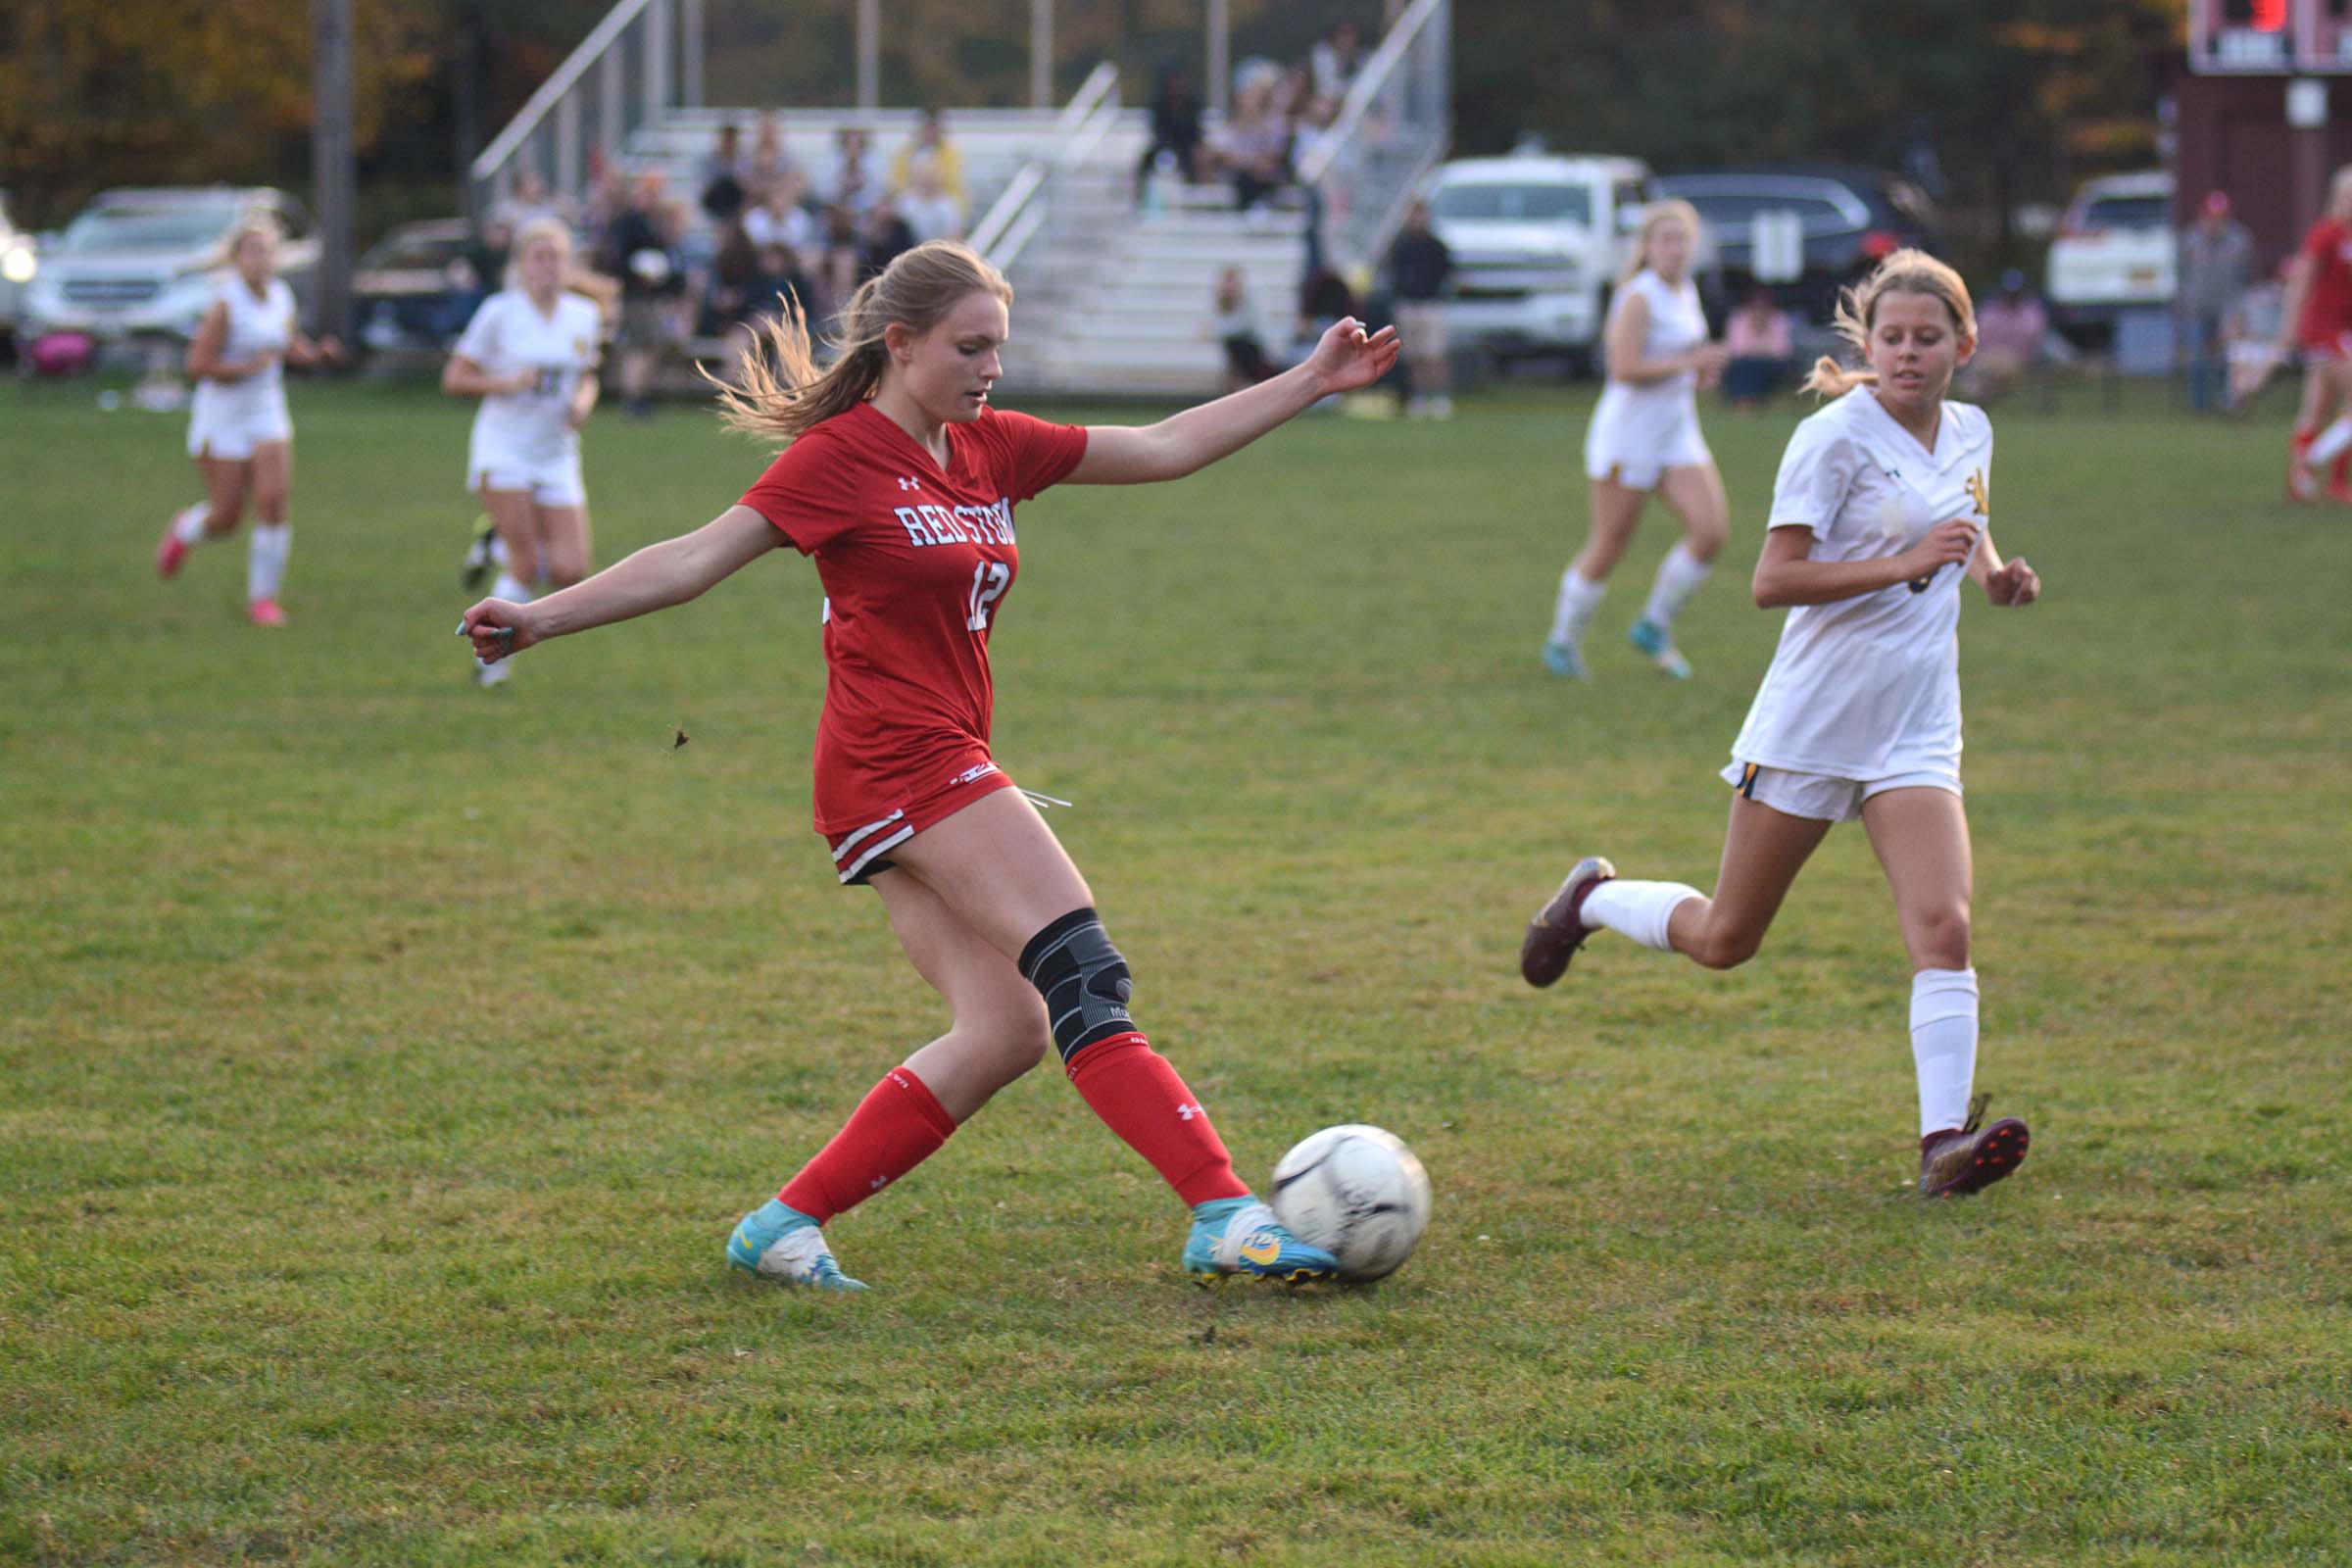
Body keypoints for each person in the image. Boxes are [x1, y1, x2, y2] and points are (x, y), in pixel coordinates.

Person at [457, 240, 1399, 1291]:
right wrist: (539, 617)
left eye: (1000, 345)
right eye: (970, 346)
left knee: (1005, 1030)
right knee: (1084, 969)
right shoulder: (839, 459)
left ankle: (784, 1225)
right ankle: (1222, 1209)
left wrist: (1312, 380)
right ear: (901, 344)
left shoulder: (989, 447)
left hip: (922, 767)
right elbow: (694, 556)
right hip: (900, 761)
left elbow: (1166, 444)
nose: (991, 367)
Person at [1519, 250, 2041, 1201]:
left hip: (1916, 725)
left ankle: (1941, 1145)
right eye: (1892, 339)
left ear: (1964, 344)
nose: (1909, 355)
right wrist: (1905, 563)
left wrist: (1992, 575)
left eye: (1929, 339)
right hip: (1814, 718)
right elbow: (1772, 582)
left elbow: (1960, 527)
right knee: (1727, 938)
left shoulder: (1971, 429)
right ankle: (1591, 899)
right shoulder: (1832, 439)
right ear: (1868, 343)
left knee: (1946, 927)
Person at [1544, 200, 1731, 681]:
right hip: (1630, 437)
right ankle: (1562, 642)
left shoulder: (1685, 290)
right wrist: (1690, 364)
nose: (1675, 250)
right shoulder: (1638, 296)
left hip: (1676, 433)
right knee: (1610, 543)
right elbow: (1624, 369)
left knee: (1710, 532)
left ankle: (1653, 625)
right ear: (1647, 247)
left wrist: (1700, 368)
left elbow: (1679, 356)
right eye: (1665, 240)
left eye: (1682, 240)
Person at [155, 220, 343, 625]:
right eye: (252, 252)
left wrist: (315, 355)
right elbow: (197, 364)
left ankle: (263, 600)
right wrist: (242, 369)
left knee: (274, 501)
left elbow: (287, 344)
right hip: (223, 416)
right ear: (237, 258)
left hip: (267, 410)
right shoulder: (226, 304)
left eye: (267, 252)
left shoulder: (280, 295)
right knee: (225, 518)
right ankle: (185, 529)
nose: (261, 260)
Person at [444, 218, 603, 688]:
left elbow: (588, 374)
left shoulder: (583, 315)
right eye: (538, 257)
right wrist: (505, 383)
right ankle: (491, 664)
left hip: (556, 451)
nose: (547, 266)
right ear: (521, 265)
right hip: (504, 448)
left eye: (556, 257)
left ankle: (490, 540)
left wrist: (583, 402)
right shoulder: (499, 312)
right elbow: (454, 378)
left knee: (572, 571)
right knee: (527, 561)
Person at [2255, 167, 2352, 501]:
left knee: (2318, 406)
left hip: (2342, 332)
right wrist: (2288, 331)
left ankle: (2313, 482)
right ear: (2337, 197)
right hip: (2322, 330)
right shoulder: (2326, 234)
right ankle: (2312, 464)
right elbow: (2302, 282)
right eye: (2347, 195)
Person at [2178, 191, 2254, 415]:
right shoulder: (2190, 242)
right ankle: (2199, 406)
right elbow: (2181, 274)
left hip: (2227, 310)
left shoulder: (2240, 241)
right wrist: (2183, 302)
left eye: (2221, 217)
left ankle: (2225, 401)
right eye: (2212, 217)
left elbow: (2246, 277)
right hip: (2198, 308)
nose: (2215, 223)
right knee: (2198, 358)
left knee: (2225, 359)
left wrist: (2240, 310)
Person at [1386, 200, 1452, 417]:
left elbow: (1446, 272)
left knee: (1434, 353)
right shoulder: (1401, 244)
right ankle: (1418, 397)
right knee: (1413, 356)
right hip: (1408, 303)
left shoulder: (1435, 245)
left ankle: (1440, 397)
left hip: (1430, 303)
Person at [1955, 270, 2046, 403]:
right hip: (1987, 357)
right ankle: (1977, 398)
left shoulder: (2031, 311)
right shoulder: (1989, 310)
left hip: (2017, 360)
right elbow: (1976, 337)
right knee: (1977, 373)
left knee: (1995, 371)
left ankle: (1981, 397)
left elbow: (2034, 341)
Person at [1721, 286, 1794, 412]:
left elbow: (1781, 351)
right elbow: (1736, 349)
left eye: (1763, 306)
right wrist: (1762, 348)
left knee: (1759, 366)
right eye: (1756, 306)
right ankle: (1746, 401)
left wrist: (1755, 349)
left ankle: (1747, 402)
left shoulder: (1779, 320)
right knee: (1742, 366)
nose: (1759, 310)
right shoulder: (1739, 318)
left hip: (1770, 365)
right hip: (1744, 363)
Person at [889, 109, 966, 219]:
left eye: (933, 129)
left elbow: (952, 179)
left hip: (940, 195)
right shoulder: (906, 151)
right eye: (927, 129)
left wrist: (931, 187)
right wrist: (916, 189)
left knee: (948, 210)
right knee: (905, 209)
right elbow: (896, 180)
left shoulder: (950, 152)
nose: (930, 133)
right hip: (913, 194)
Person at [1210, 265, 1274, 387]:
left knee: (1237, 345)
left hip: (1252, 350)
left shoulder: (1249, 301)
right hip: (1237, 350)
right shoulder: (1220, 303)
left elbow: (1245, 327)